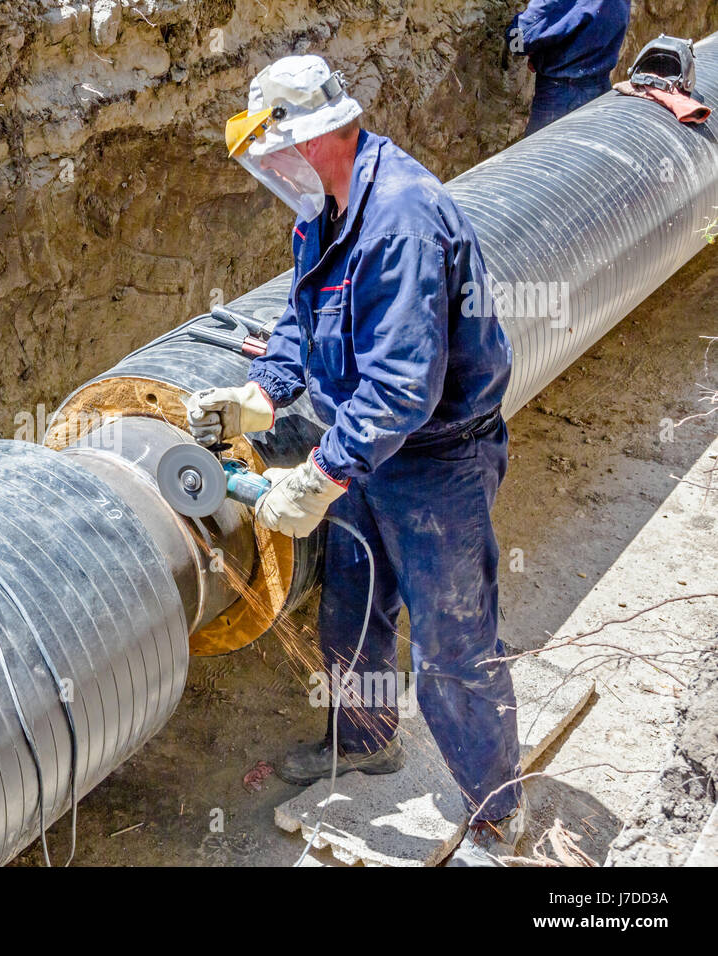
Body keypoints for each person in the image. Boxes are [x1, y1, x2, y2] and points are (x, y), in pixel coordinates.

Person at [186, 55, 525, 865]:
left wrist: (318, 477)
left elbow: (405, 387)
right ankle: (368, 739)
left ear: (315, 138)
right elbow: (308, 317)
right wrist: (263, 392)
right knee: (354, 606)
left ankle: (495, 814)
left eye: (273, 154)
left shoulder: (400, 220)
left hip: (436, 461)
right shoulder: (326, 208)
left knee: (454, 640)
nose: (270, 171)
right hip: (369, 452)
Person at [506, 0, 631, 135]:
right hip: (600, 90)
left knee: (544, 153)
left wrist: (521, 40)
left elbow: (519, 40)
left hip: (561, 98)